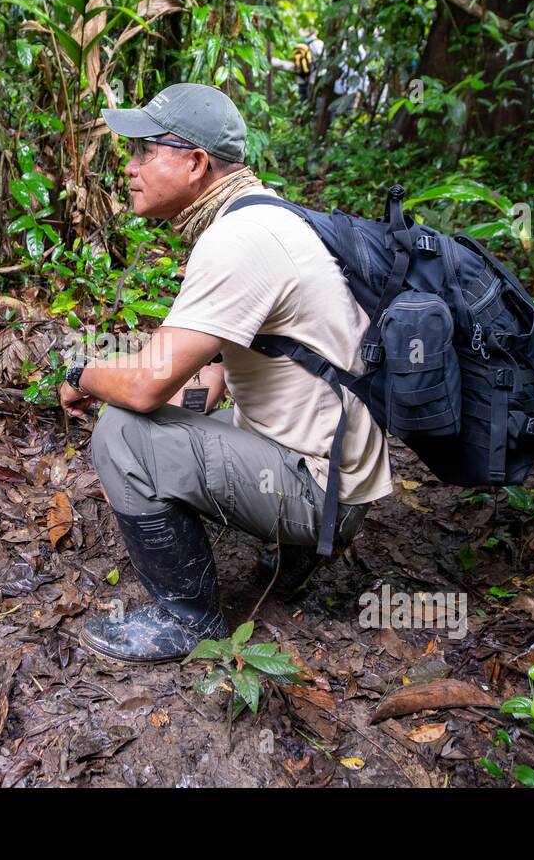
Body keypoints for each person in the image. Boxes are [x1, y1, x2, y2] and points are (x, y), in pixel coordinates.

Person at [59, 83, 392, 664]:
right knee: (153, 421)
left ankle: (187, 618)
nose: (131, 167)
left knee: (121, 434)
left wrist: (83, 373)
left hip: (321, 491)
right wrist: (160, 411)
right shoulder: (266, 216)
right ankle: (295, 557)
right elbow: (211, 383)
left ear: (195, 163)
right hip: (335, 471)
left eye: (144, 151)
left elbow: (144, 385)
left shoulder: (238, 240)